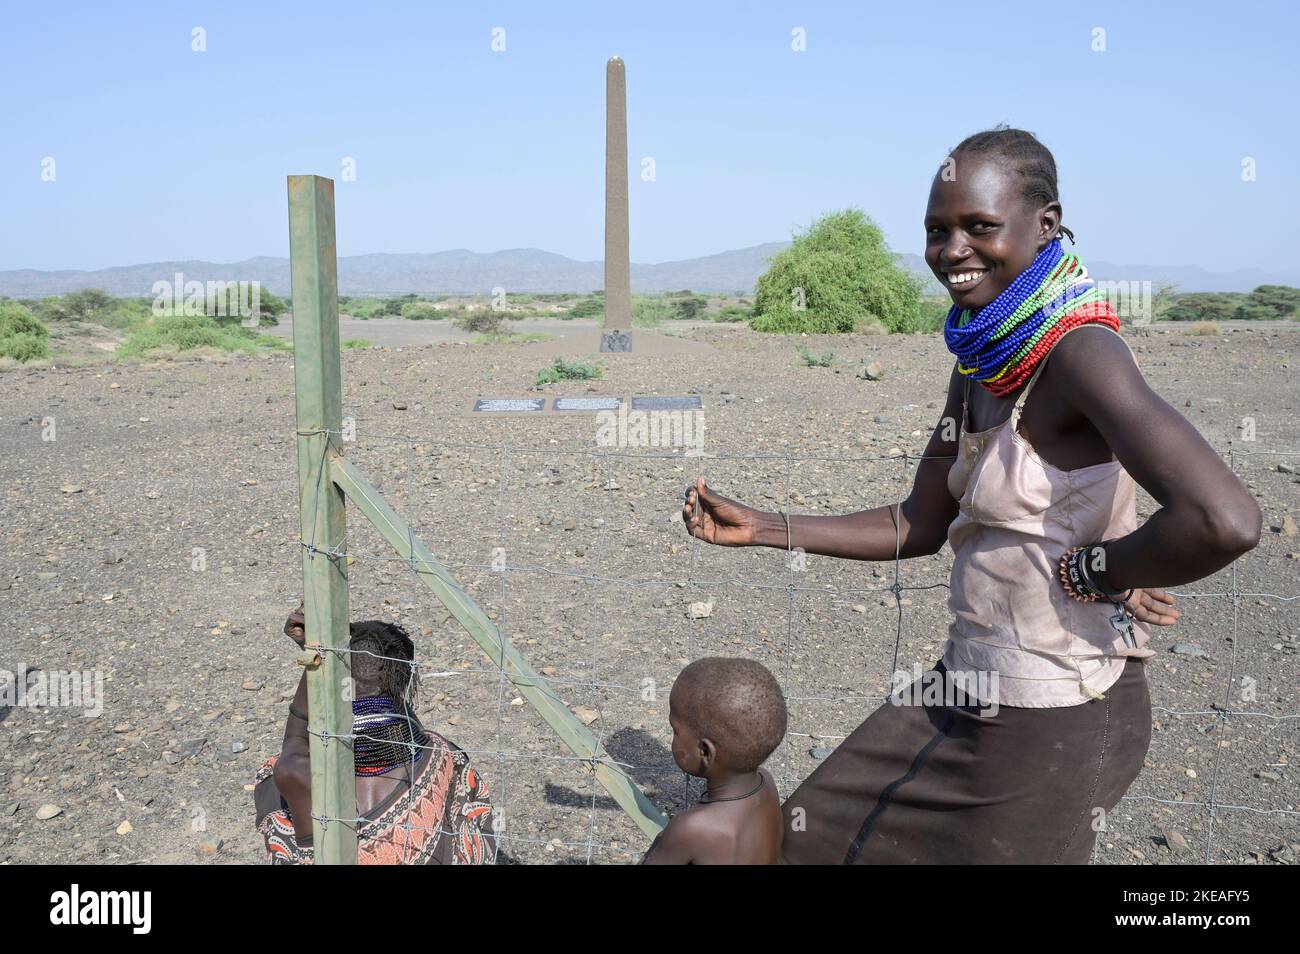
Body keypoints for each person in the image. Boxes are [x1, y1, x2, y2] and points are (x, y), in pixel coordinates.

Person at [681, 126, 1261, 864]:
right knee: (802, 839)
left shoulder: (1082, 355)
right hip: (963, 685)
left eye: (979, 227)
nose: (953, 250)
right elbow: (920, 521)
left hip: (1055, 717)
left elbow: (1226, 519)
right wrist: (766, 527)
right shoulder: (983, 360)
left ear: (1046, 224)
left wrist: (1106, 570)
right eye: (937, 231)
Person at [252, 603, 495, 864]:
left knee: (273, 781)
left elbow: (295, 737)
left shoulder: (299, 774)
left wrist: (318, 658)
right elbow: (395, 710)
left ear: (338, 682)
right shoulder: (444, 757)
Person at [641, 657, 786, 864]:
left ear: (705, 752)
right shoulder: (767, 784)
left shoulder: (692, 828)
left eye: (675, 730)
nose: (672, 735)